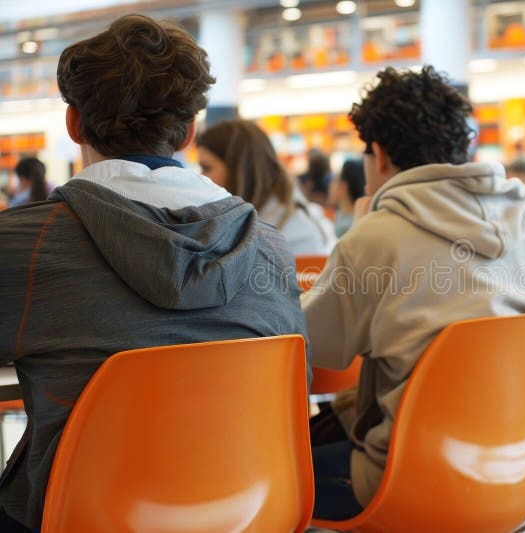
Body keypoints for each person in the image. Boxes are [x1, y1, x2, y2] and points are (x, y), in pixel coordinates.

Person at [0, 15, 307, 532]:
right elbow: (296, 387)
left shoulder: (23, 244)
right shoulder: (271, 248)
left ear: (73, 124)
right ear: (188, 133)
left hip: (78, 515)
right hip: (247, 510)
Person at [302, 66, 525, 520]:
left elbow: (317, 345)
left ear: (379, 154)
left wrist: (364, 228)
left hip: (411, 477)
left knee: (267, 472)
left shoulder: (380, 236)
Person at [196, 119, 335, 255]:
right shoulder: (243, 222)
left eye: (206, 167)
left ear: (239, 171)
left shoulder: (295, 233)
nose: (200, 176)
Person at [329, 158, 365, 237]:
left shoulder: (348, 228)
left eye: (335, 180)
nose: (330, 185)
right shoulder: (341, 214)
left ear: (344, 186)